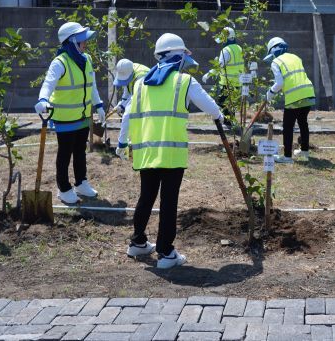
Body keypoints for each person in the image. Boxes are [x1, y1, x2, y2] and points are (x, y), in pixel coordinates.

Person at [118, 33, 223, 269]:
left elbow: (127, 115)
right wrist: (219, 115)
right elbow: (209, 105)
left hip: (146, 153)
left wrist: (122, 142)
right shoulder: (184, 81)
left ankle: (137, 242)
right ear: (178, 56)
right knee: (168, 201)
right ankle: (166, 253)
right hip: (172, 154)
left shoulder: (140, 83)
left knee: (146, 196)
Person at [35, 22, 104, 205]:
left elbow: (92, 86)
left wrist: (99, 105)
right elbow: (48, 84)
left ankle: (81, 182)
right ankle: (64, 188)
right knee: (65, 154)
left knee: (80, 151)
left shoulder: (86, 59)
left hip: (82, 116)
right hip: (65, 119)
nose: (85, 43)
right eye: (82, 40)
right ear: (72, 41)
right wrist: (43, 99)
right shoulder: (60, 62)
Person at [264, 36, 315, 163]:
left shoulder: (276, 62)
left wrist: (269, 94)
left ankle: (287, 157)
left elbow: (279, 83)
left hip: (294, 97)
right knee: (303, 123)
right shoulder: (295, 57)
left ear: (273, 50)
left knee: (288, 126)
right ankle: (304, 152)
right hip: (308, 93)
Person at [201, 27, 244, 125]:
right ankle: (230, 123)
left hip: (227, 83)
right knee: (231, 104)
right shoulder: (239, 48)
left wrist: (208, 74)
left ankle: (225, 124)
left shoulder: (226, 50)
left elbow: (219, 66)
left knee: (221, 103)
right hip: (237, 82)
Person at [113, 59, 150, 153]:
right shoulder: (129, 70)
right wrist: (121, 105)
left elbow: (127, 115)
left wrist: (122, 144)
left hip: (149, 103)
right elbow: (128, 92)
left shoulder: (142, 77)